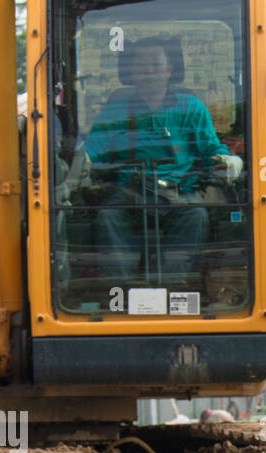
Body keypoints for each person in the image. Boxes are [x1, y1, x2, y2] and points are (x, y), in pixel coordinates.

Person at [84, 36, 241, 287]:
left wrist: (227, 161)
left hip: (178, 192)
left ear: (170, 69)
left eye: (156, 64)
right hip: (129, 193)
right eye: (141, 64)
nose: (149, 71)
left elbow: (210, 150)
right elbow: (92, 153)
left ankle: (173, 285)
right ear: (130, 71)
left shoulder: (192, 108)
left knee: (196, 215)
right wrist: (74, 163)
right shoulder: (114, 111)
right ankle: (118, 289)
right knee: (108, 218)